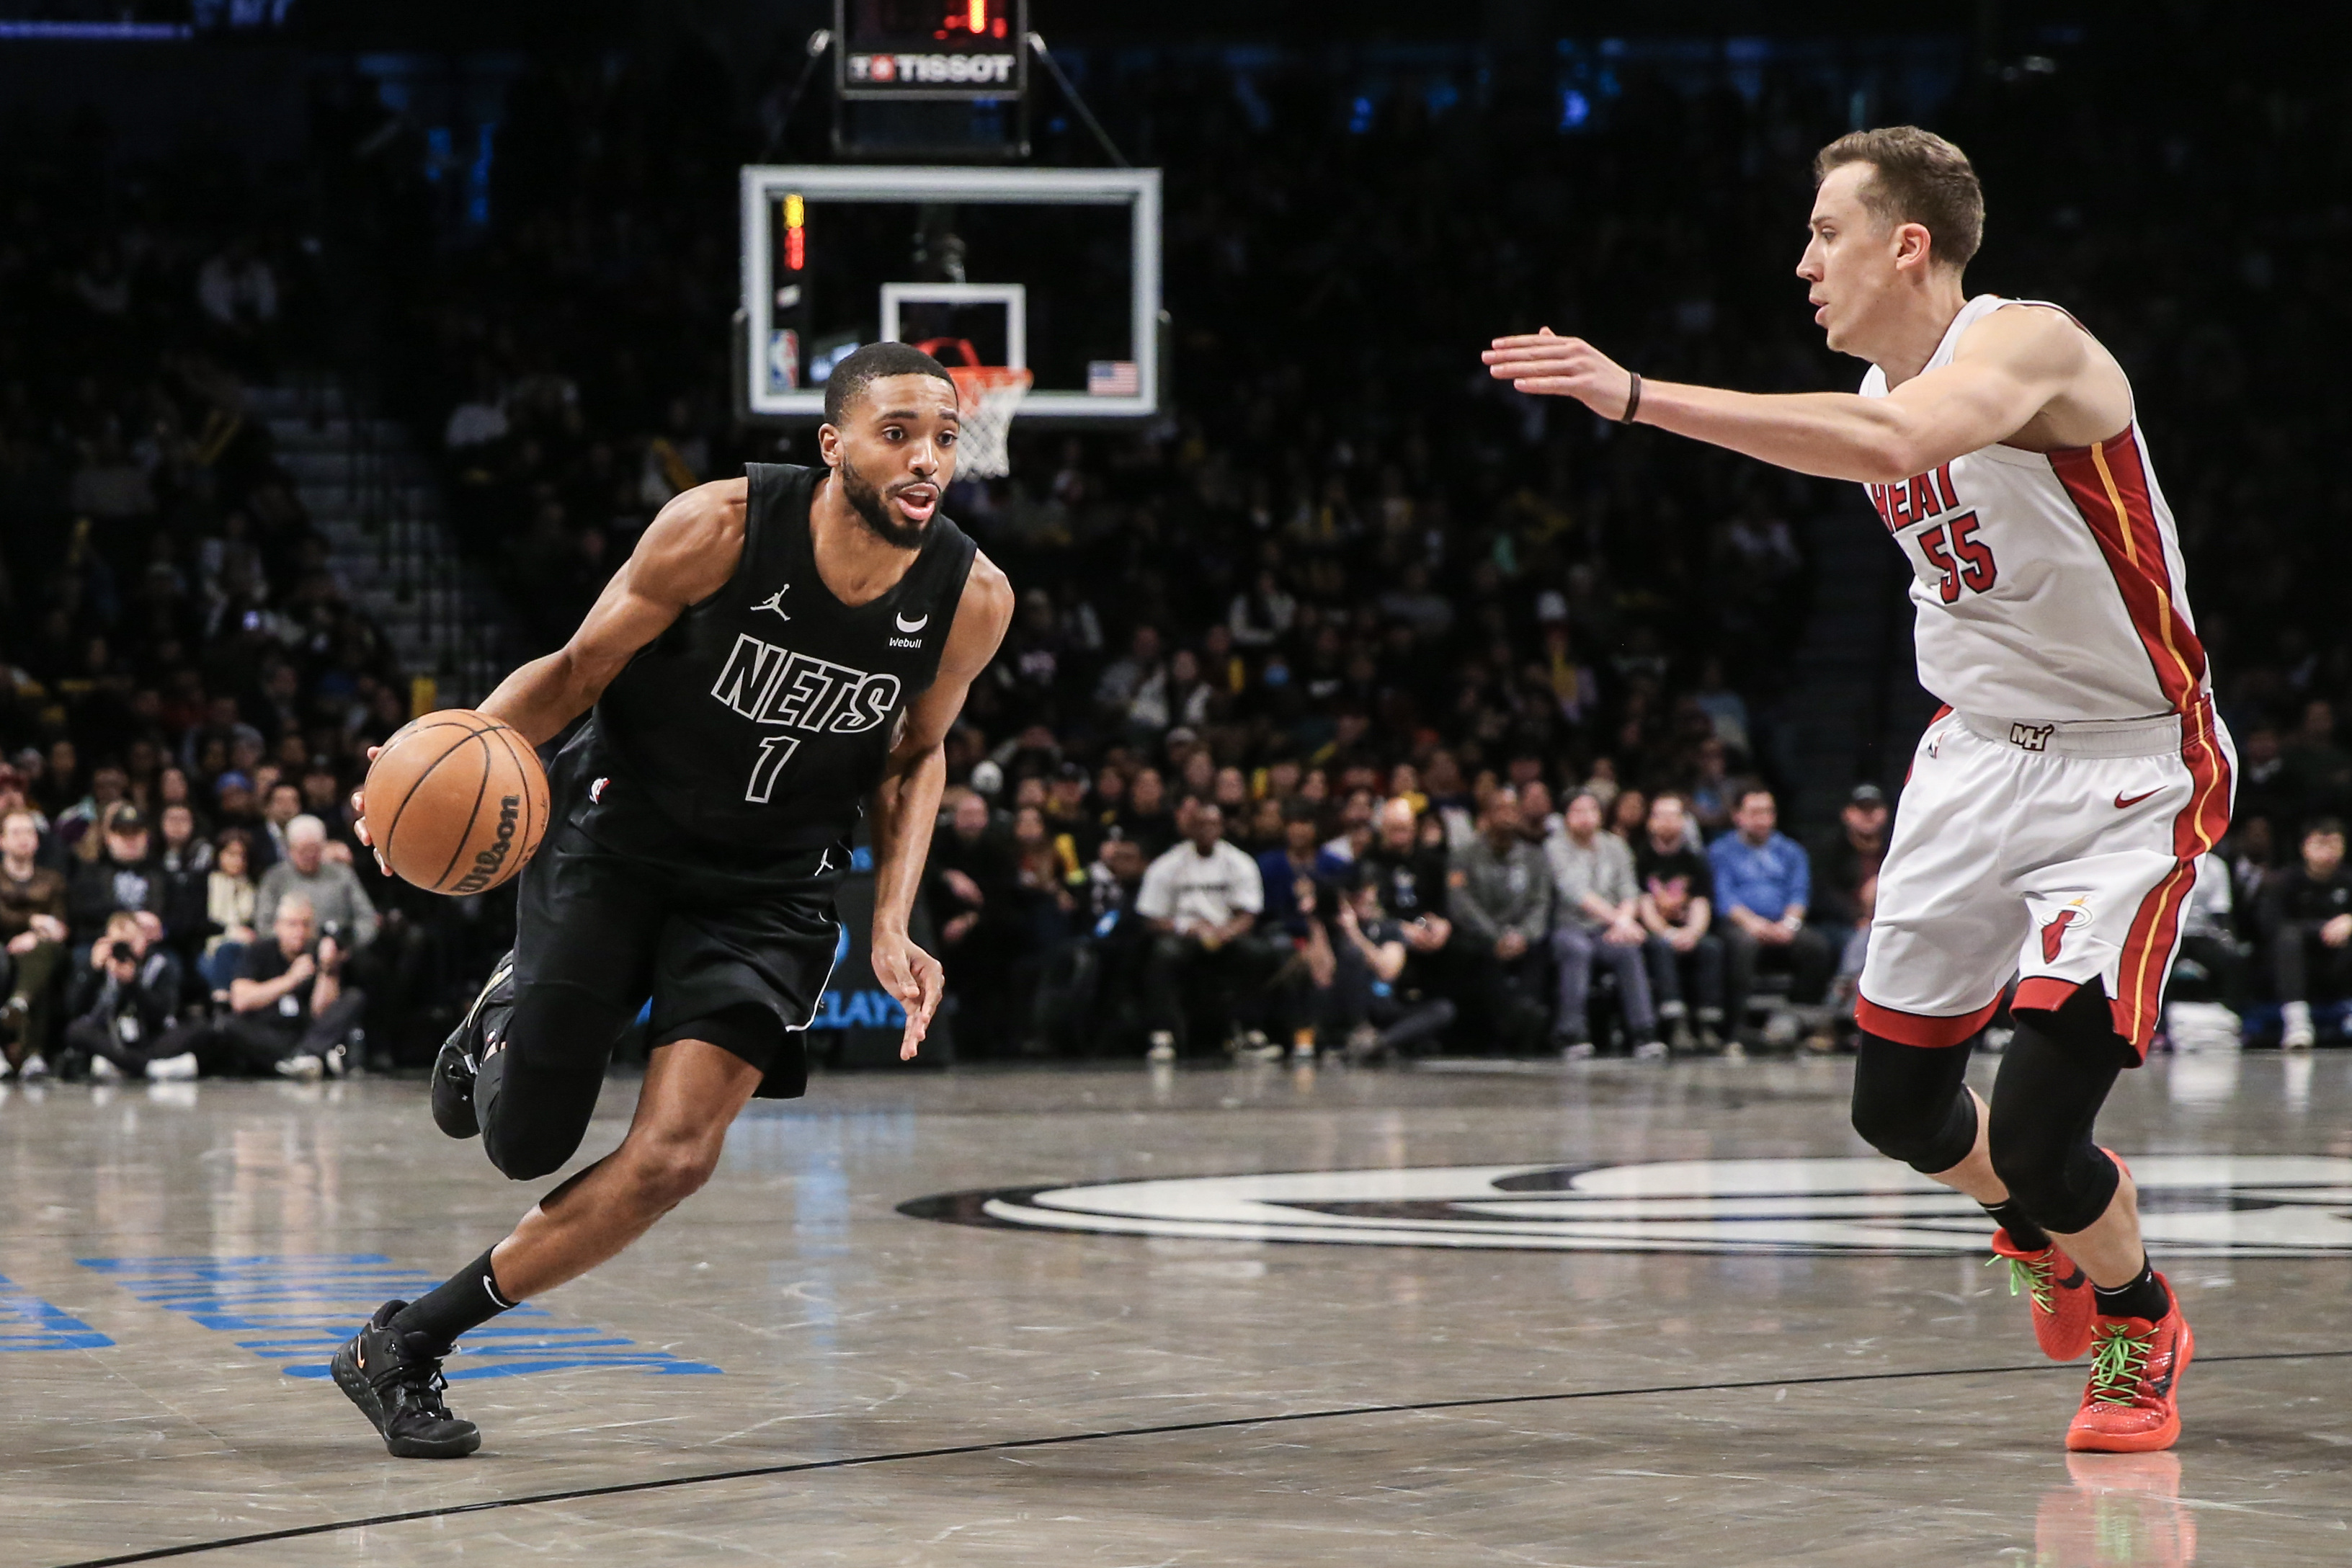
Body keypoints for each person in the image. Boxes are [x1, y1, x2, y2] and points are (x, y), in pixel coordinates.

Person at [1487, 125, 2217, 1449]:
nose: (1801, 263)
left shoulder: (2028, 345)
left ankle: (2136, 1316)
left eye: (1824, 234)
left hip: (2126, 765)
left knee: (2048, 1138)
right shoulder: (1876, 385)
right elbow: (1868, 434)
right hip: (1973, 751)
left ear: (1906, 242)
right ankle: (2035, 1239)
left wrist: (1636, 394)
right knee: (1892, 1108)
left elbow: (1895, 444)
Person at [333, 342, 1012, 1458]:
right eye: (898, 433)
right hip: (619, 834)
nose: (927, 458)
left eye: (944, 435)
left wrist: (888, 924)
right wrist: (439, 761)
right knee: (524, 1145)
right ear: (833, 443)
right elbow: (577, 669)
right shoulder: (722, 526)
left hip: (774, 886)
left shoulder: (972, 597)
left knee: (676, 1158)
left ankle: (401, 1346)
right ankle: (499, 1015)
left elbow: (914, 756)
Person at [1135, 801, 1288, 1061]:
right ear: (1190, 828)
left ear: (1222, 827)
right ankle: (1165, 1035)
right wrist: (1184, 927)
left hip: (1225, 934)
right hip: (1184, 934)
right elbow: (1151, 917)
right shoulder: (1168, 864)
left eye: (1213, 824)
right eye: (1201, 824)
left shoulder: (1239, 862)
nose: (1207, 830)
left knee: (1259, 953)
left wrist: (1228, 931)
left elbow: (1249, 914)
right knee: (1164, 953)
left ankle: (1249, 1032)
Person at [1709, 787, 1835, 1043]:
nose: (1763, 819)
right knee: (1742, 945)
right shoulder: (1721, 851)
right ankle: (1736, 1026)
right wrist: (1754, 925)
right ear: (1738, 816)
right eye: (1755, 812)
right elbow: (1725, 898)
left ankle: (1796, 1018)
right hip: (1741, 923)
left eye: (1768, 812)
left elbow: (1799, 894)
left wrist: (1788, 925)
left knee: (1817, 947)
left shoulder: (1791, 851)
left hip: (1782, 923)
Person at [1545, 790, 1662, 1059]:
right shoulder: (1555, 847)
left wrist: (1623, 923)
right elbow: (1576, 892)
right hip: (1570, 926)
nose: (1586, 818)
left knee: (1628, 950)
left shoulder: (1615, 846)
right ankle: (1571, 1032)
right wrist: (1621, 920)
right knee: (1577, 950)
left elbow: (1628, 889)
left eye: (1591, 811)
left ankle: (1643, 1032)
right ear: (1566, 817)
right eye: (1578, 811)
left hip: (1607, 928)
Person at [1447, 791, 1551, 1052]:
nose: (1507, 816)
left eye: (1512, 810)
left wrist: (1523, 935)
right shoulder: (1464, 855)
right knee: (1478, 952)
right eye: (1500, 810)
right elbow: (1461, 904)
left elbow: (1541, 903)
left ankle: (1527, 1009)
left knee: (1543, 946)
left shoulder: (1535, 857)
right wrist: (1495, 936)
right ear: (1486, 816)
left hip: (1521, 935)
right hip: (1481, 936)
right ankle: (1509, 1022)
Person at [225, 892, 362, 1079]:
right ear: (278, 927)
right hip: (270, 1031)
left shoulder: (317, 953)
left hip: (307, 1033)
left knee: (353, 997)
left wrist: (327, 970)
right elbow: (241, 1001)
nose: (300, 931)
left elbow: (322, 1012)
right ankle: (305, 1060)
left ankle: (304, 1057)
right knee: (229, 1024)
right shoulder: (259, 951)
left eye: (305, 924)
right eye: (292, 924)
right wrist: (290, 980)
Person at [1634, 793, 1725, 1052]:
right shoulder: (1641, 858)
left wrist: (1692, 933)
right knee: (1661, 948)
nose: (1668, 822)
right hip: (1654, 929)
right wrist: (1668, 933)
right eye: (1661, 815)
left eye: (1675, 815)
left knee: (1711, 947)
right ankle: (1676, 1024)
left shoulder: (1695, 859)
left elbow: (1701, 901)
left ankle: (1708, 1024)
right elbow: (1644, 902)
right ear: (1651, 821)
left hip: (1688, 927)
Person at [64, 911, 197, 1082]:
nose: (124, 950)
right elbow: (74, 1008)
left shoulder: (161, 964)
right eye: (118, 944)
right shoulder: (100, 964)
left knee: (197, 1029)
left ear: (142, 939)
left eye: (130, 942)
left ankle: (121, 1065)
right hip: (112, 1035)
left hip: (152, 1036)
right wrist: (94, 971)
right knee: (77, 1030)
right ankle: (149, 1068)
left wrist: (132, 983)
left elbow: (161, 1013)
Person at [2260, 817, 2352, 1049]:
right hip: (2295, 967)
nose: (2328, 851)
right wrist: (2321, 929)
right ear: (2305, 847)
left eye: (2334, 844)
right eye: (2321, 844)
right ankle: (2297, 1022)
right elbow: (2271, 925)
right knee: (2288, 937)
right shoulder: (2284, 882)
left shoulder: (2348, 880)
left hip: (2339, 965)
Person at [2, 807, 71, 1079]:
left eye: (29, 832)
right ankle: (25, 1049)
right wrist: (32, 922)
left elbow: (59, 924)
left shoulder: (51, 879)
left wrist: (36, 935)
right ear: (2, 841)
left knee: (43, 955)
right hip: (3, 945)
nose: (23, 838)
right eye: (16, 832)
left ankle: (31, 1049)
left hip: (39, 947)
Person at [1812, 783, 1891, 939]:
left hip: (1888, 920)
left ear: (1885, 813)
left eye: (1874, 808)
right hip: (1843, 924)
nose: (1868, 815)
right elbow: (1823, 894)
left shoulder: (1896, 847)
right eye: (1862, 809)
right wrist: (1856, 917)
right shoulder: (1829, 849)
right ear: (1847, 813)